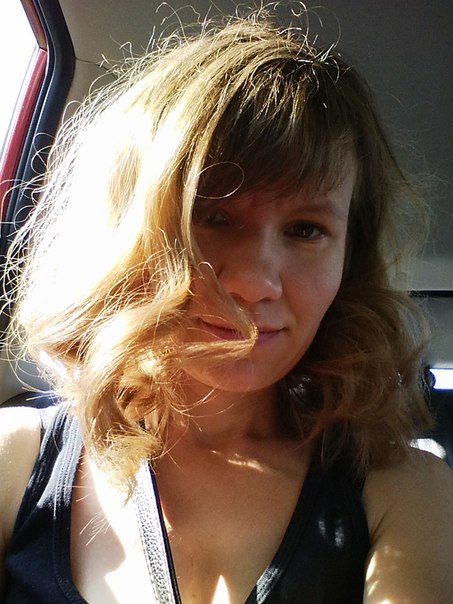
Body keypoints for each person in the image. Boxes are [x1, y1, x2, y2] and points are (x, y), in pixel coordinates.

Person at [1, 8, 452, 604]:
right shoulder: (15, 458)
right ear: (129, 233)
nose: (255, 283)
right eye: (212, 216)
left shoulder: (407, 492)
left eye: (306, 230)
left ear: (348, 260)